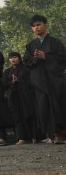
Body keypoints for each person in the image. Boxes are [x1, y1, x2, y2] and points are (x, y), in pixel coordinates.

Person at [23, 14, 66, 144]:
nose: (36, 28)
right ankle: (51, 134)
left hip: (55, 82)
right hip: (39, 82)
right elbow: (26, 62)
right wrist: (37, 58)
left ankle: (62, 134)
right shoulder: (31, 45)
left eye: (39, 24)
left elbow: (63, 60)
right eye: (34, 26)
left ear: (45, 25)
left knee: (59, 105)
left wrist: (46, 57)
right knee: (43, 108)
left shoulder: (56, 42)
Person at [2, 52, 38, 144]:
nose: (12, 59)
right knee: (17, 117)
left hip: (25, 96)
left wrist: (19, 80)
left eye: (14, 57)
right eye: (10, 58)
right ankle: (21, 138)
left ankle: (34, 136)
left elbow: (32, 81)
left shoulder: (26, 69)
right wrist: (12, 82)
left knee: (29, 114)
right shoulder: (7, 71)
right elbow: (3, 84)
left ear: (19, 58)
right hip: (13, 97)